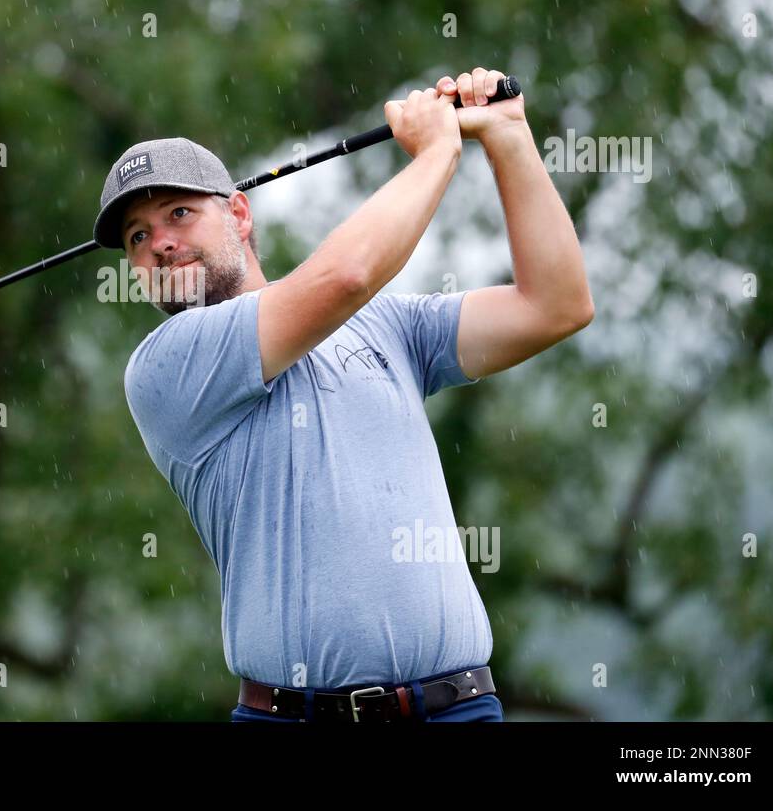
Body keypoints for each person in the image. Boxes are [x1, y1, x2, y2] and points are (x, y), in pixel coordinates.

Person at [93, 69, 593, 723]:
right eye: (137, 236)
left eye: (179, 213)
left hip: (460, 710)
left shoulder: (388, 326)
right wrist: (440, 150)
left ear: (238, 213)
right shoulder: (166, 366)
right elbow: (347, 275)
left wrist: (508, 137)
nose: (159, 242)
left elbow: (555, 305)